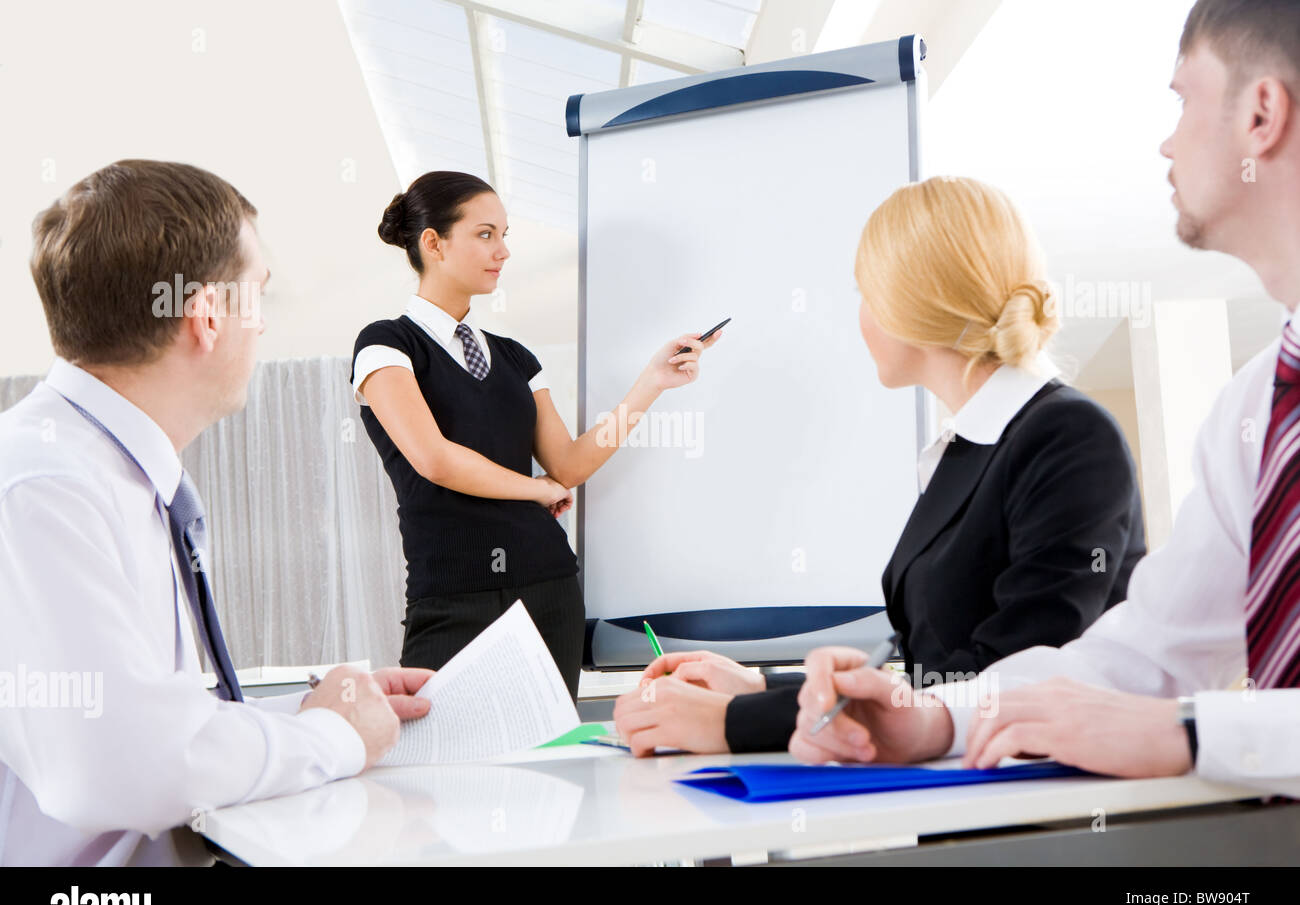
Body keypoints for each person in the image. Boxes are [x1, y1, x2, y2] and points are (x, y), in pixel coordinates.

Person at [788, 0, 1300, 800]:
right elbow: (1139, 657)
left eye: (1182, 100)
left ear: (1263, 114)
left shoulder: (1067, 434)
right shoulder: (1255, 411)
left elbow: (1151, 697)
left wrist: (1196, 731)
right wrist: (933, 720)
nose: (1166, 139)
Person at [613, 176, 1145, 756]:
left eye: (865, 293)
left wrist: (735, 720)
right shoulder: (966, 449)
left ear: (910, 304)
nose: (860, 316)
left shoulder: (1067, 436)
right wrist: (763, 686)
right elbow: (933, 686)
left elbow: (1005, 682)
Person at [0, 160, 434, 866]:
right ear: (206, 316)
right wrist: (335, 739)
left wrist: (309, 714)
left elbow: (145, 724)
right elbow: (117, 764)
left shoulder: (96, 470)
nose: (262, 327)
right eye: (257, 296)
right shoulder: (41, 486)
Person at [352, 171, 719, 700]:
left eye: (505, 235)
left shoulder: (516, 357)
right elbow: (435, 460)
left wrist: (651, 383)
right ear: (433, 243)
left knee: (550, 763)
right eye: (485, 234)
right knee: (438, 763)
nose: (502, 251)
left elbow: (568, 465)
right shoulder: (386, 345)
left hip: (548, 587)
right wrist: (536, 489)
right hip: (452, 595)